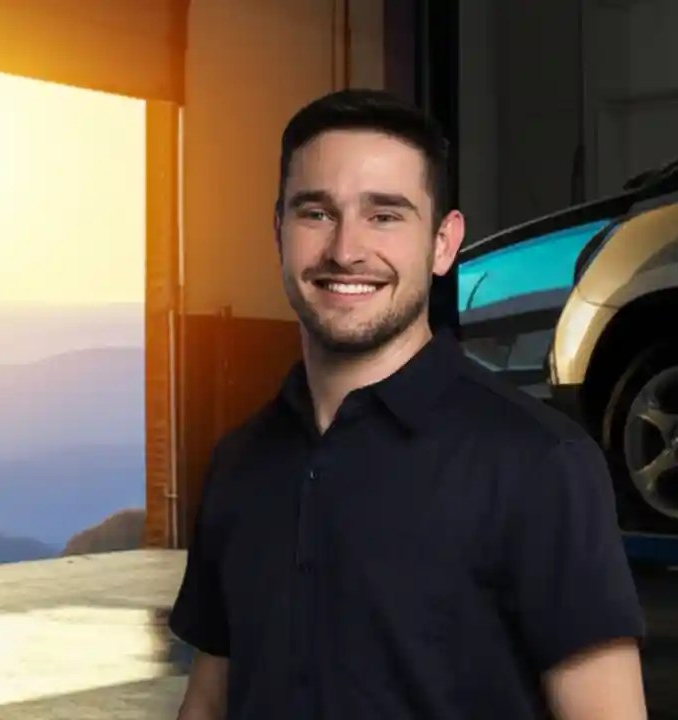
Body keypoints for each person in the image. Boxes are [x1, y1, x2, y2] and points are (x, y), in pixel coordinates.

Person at [168, 89, 647, 720]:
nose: (345, 250)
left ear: (444, 244)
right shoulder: (239, 464)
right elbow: (209, 701)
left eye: (385, 216)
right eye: (316, 213)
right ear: (277, 230)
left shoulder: (540, 465)